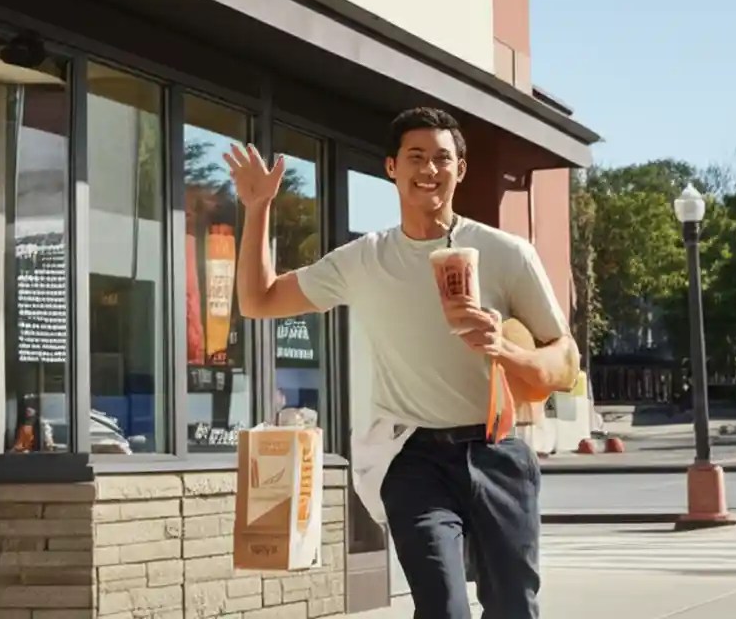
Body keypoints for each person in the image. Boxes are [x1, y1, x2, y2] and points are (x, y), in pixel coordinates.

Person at [223, 107, 577, 619]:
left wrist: (505, 347)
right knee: (442, 608)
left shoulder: (506, 253)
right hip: (411, 456)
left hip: (498, 451)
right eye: (416, 157)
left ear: (461, 169)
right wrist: (257, 209)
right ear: (391, 167)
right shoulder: (363, 259)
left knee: (513, 608)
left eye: (442, 158)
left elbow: (565, 361)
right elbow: (259, 300)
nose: (429, 169)